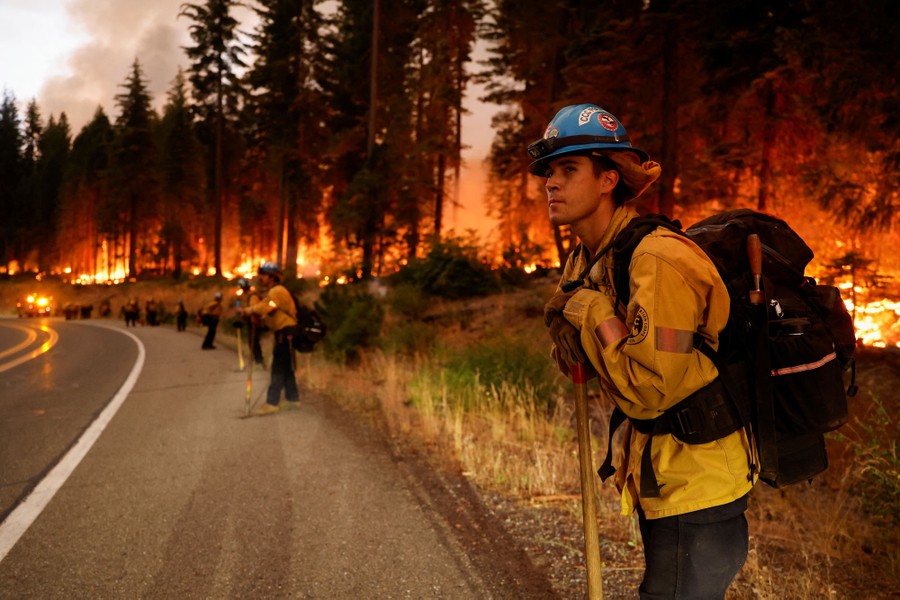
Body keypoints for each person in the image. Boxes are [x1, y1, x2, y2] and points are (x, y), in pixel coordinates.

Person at [531, 104, 754, 599]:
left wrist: (589, 311)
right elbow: (580, 358)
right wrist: (572, 333)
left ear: (608, 179)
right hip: (658, 478)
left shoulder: (658, 260)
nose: (551, 182)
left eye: (568, 169)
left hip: (701, 489)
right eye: (549, 172)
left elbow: (651, 391)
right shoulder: (588, 259)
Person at [239, 262, 300, 415]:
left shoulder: (276, 291)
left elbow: (263, 307)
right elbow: (270, 310)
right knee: (287, 367)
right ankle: (293, 399)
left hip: (286, 332)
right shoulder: (274, 292)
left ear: (272, 277)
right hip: (285, 332)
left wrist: (248, 311)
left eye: (264, 275)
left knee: (278, 366)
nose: (261, 278)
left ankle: (271, 403)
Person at [236, 278, 265, 365]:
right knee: (251, 341)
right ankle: (257, 360)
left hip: (254, 321)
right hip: (249, 321)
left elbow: (254, 309)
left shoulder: (253, 296)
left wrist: (244, 311)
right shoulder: (246, 296)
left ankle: (259, 361)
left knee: (253, 341)